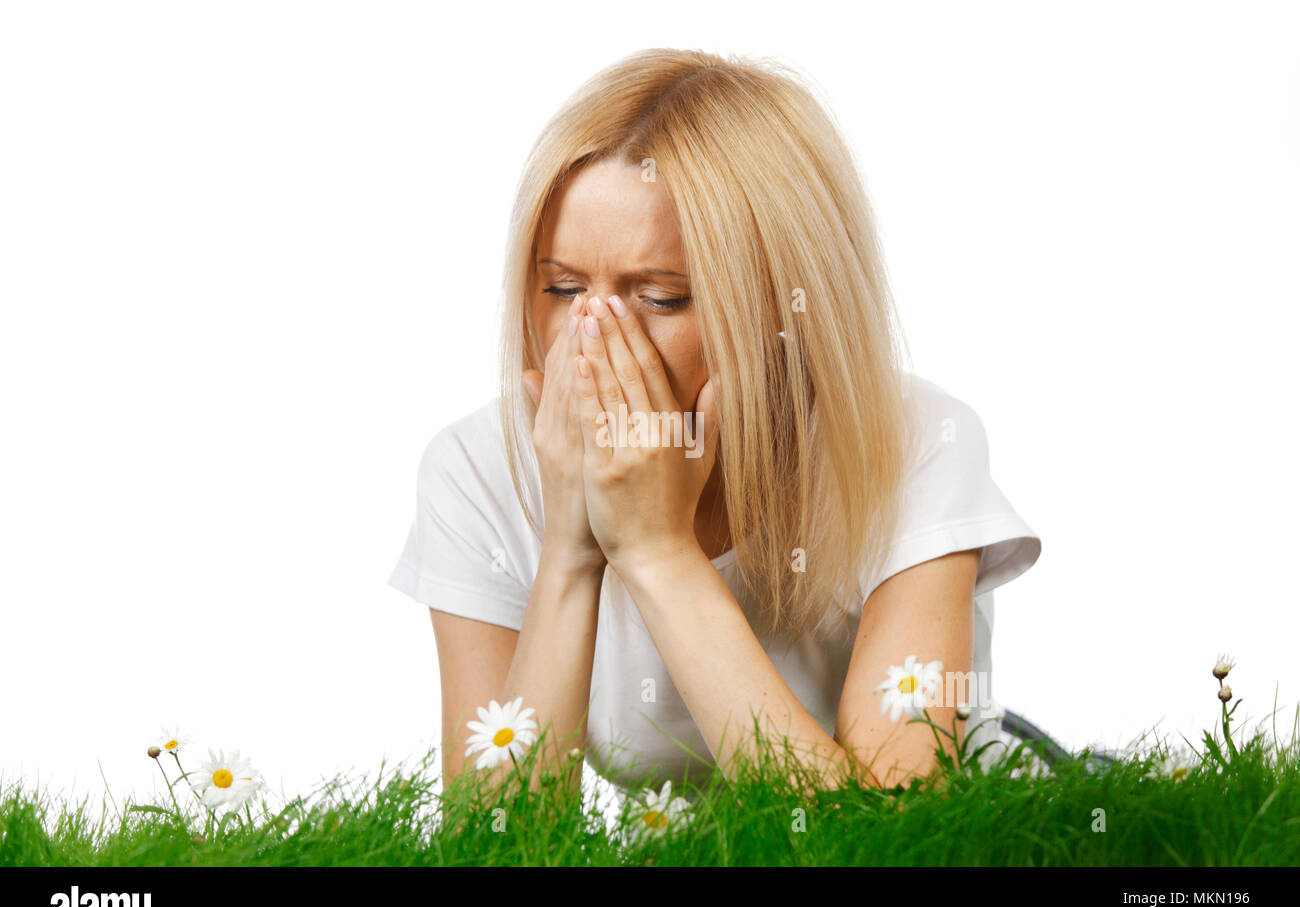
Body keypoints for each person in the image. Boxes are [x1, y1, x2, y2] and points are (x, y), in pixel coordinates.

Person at [388, 49, 1041, 803]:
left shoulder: (918, 442)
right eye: (563, 288)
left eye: (661, 299)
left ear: (782, 309)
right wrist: (570, 553)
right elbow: (492, 845)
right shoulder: (473, 470)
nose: (593, 337)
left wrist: (658, 551)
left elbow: (888, 833)